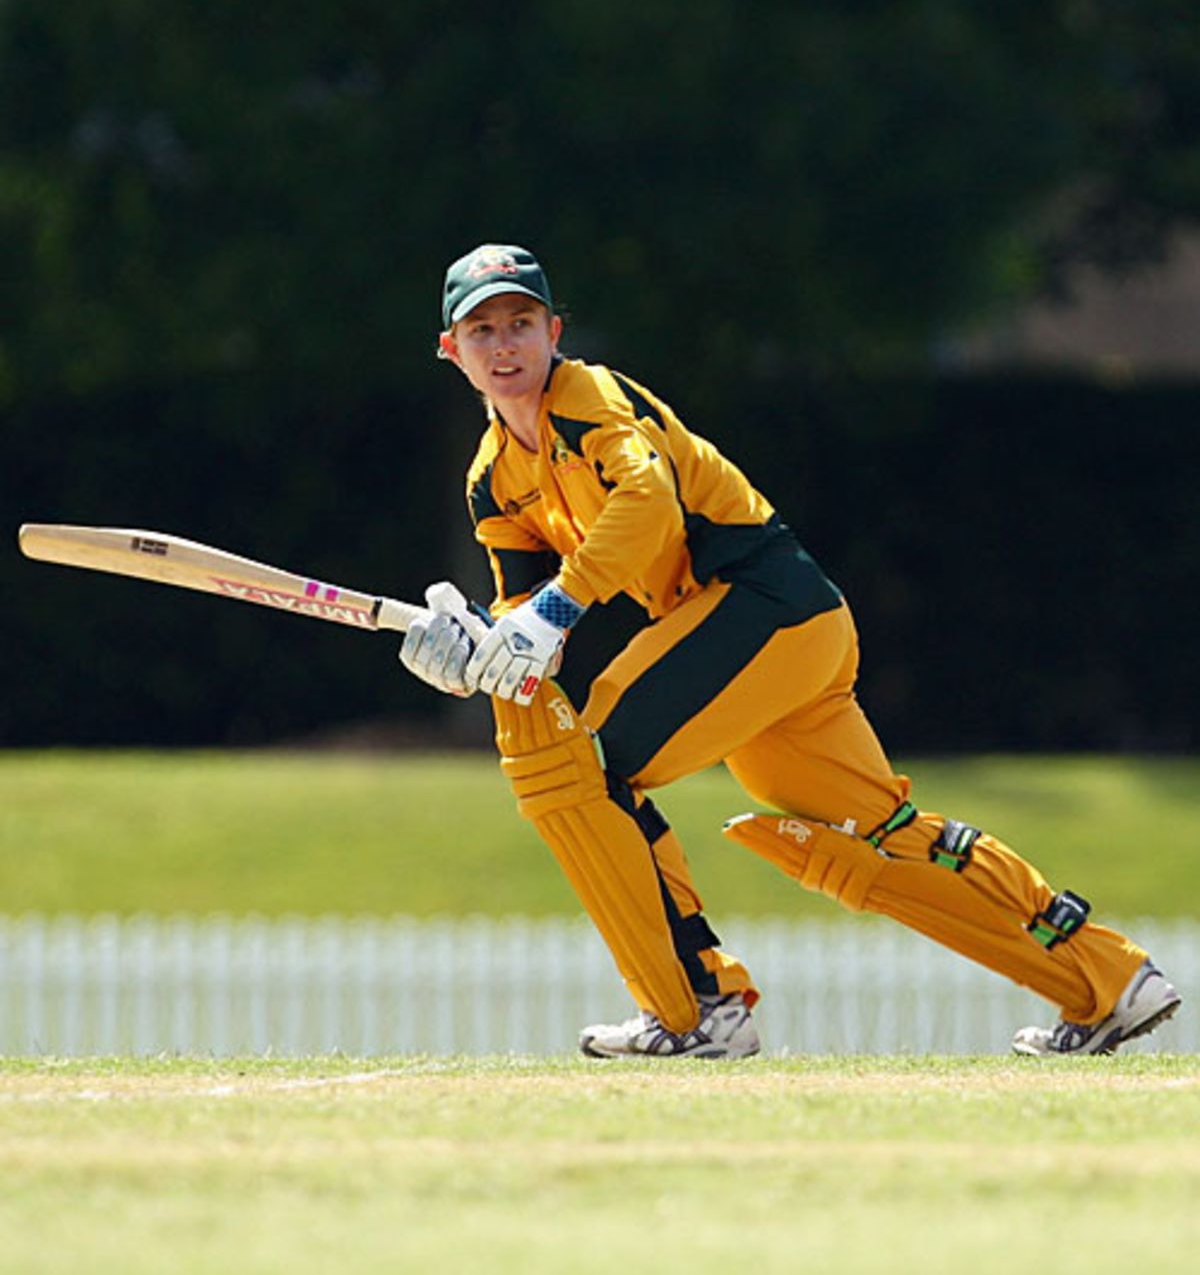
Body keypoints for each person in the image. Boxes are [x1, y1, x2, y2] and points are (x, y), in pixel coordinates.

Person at [399, 241, 1182, 1059]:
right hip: (774, 636)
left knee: (589, 766)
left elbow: (646, 500)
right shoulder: (491, 478)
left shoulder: (588, 397)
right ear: (451, 350)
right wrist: (475, 649)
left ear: (554, 330)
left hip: (763, 604)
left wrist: (555, 609)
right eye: (482, 330)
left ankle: (698, 1005)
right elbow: (527, 629)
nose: (505, 345)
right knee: (880, 840)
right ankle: (1106, 981)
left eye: (521, 322)